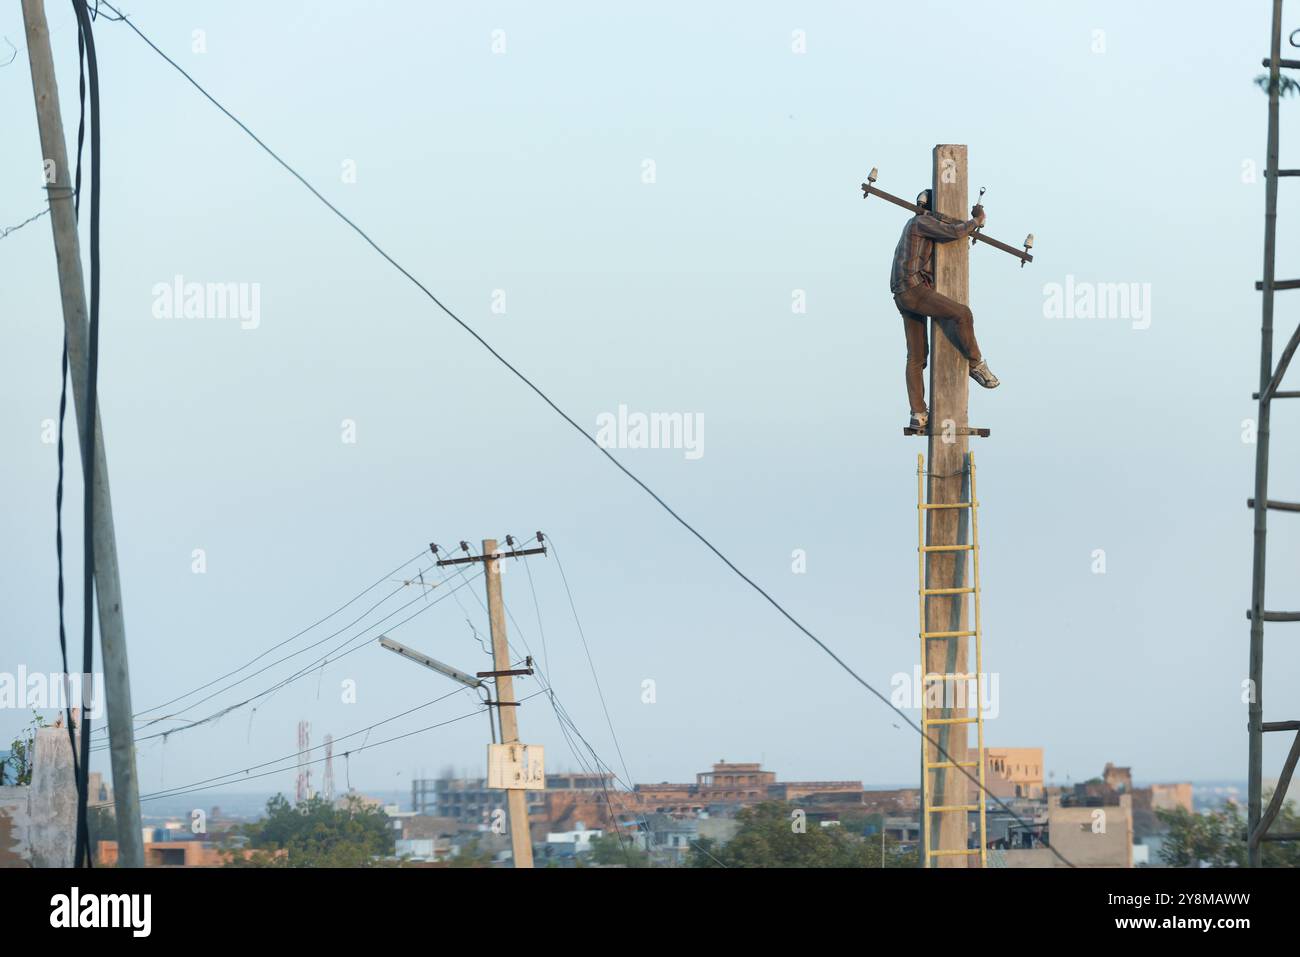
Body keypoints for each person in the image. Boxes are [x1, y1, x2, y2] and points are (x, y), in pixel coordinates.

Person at [890, 188, 999, 431]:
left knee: (917, 356)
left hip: (902, 292)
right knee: (962, 313)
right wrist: (976, 221)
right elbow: (952, 232)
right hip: (913, 289)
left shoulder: (913, 224)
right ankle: (976, 364)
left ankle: (918, 412)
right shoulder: (921, 222)